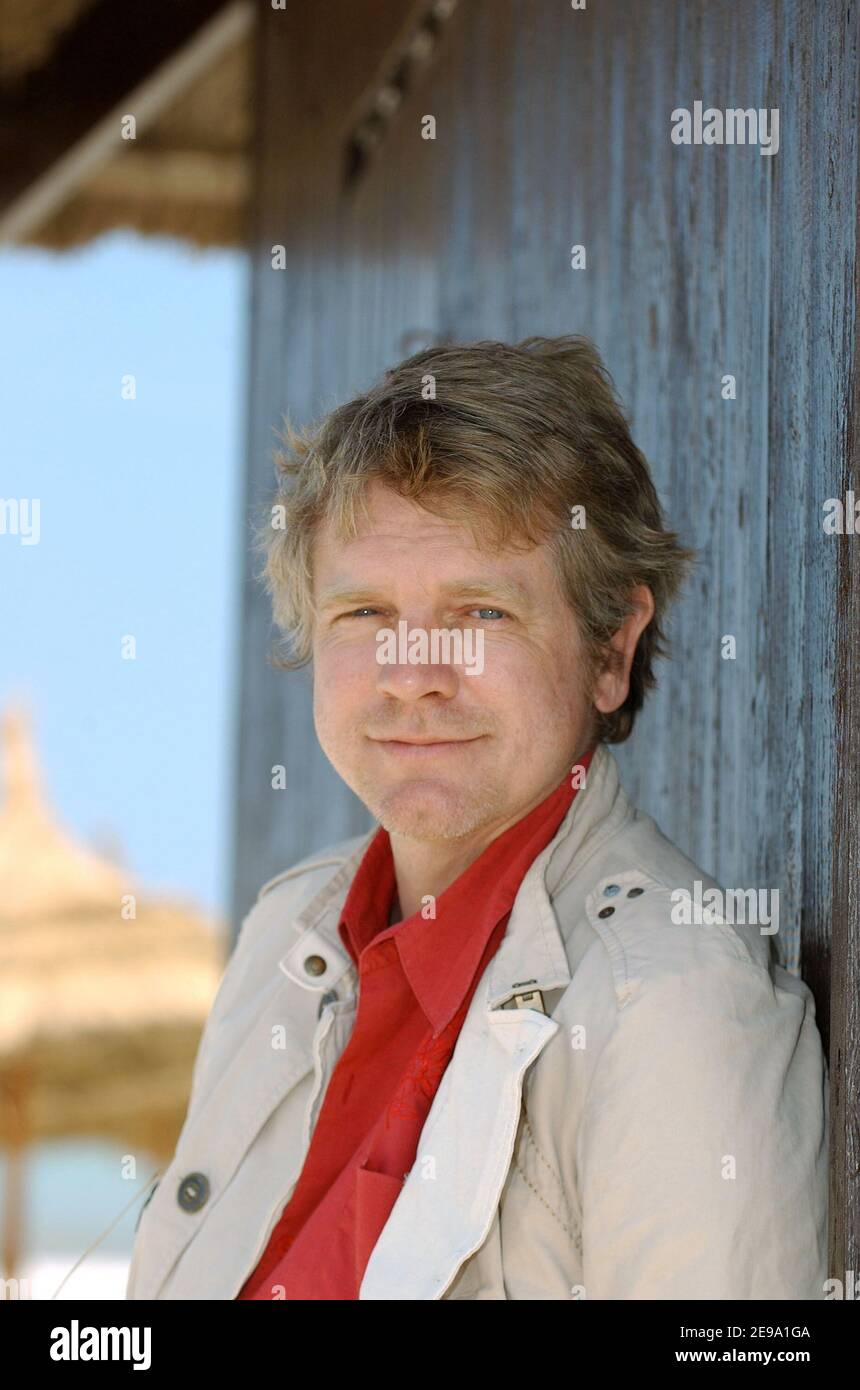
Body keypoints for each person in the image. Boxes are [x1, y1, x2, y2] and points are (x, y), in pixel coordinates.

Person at [126, 335, 828, 1300]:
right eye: (365, 613)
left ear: (611, 650)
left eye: (481, 614)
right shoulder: (283, 940)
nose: (412, 675)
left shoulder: (673, 1008)